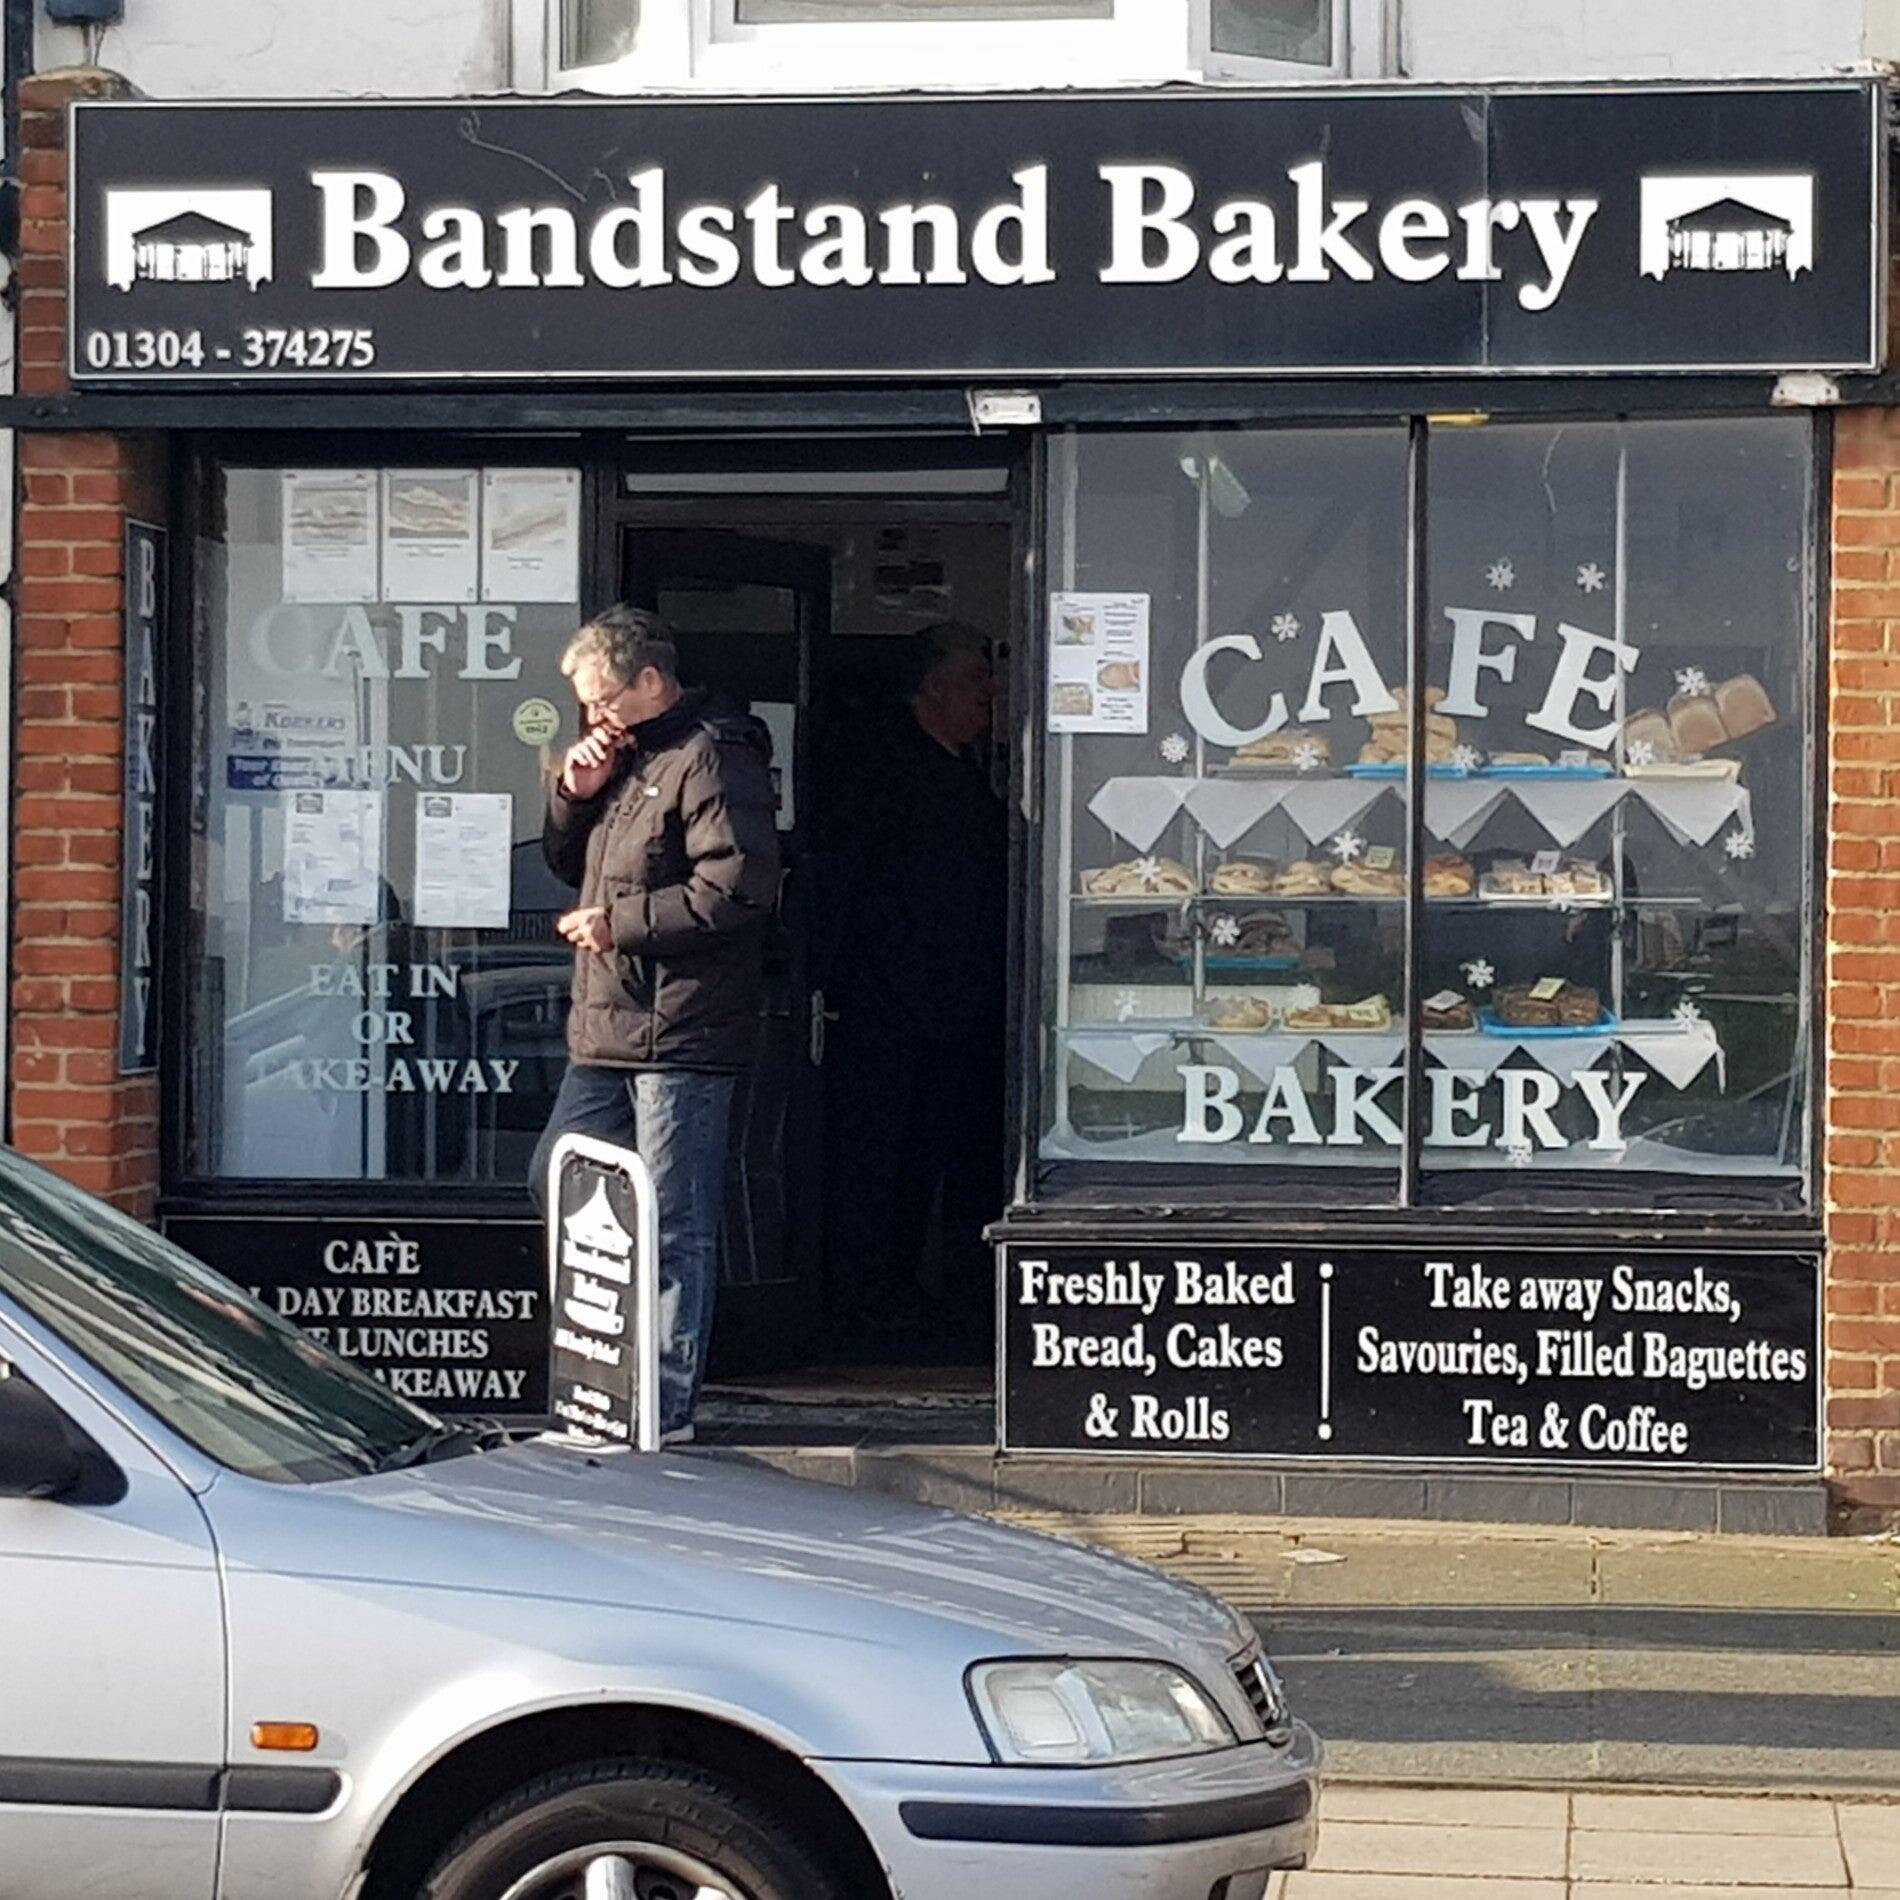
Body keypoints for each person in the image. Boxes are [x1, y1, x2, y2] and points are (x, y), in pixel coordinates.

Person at [530, 604, 779, 1443]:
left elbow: (737, 888)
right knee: (557, 1182)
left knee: (672, 1220)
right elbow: (568, 862)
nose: (595, 717)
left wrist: (619, 924)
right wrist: (575, 792)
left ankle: (663, 1404)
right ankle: (601, 1376)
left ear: (650, 680)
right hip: (605, 1028)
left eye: (604, 699)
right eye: (584, 705)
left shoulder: (711, 752)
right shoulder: (626, 759)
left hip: (680, 1028)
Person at [824, 622, 1007, 1360]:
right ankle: (865, 1304)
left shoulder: (964, 769)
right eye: (975, 681)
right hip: (894, 1007)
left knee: (935, 1157)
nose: (989, 696)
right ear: (932, 690)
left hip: (961, 1009)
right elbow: (855, 889)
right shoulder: (883, 770)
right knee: (881, 1161)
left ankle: (919, 1292)